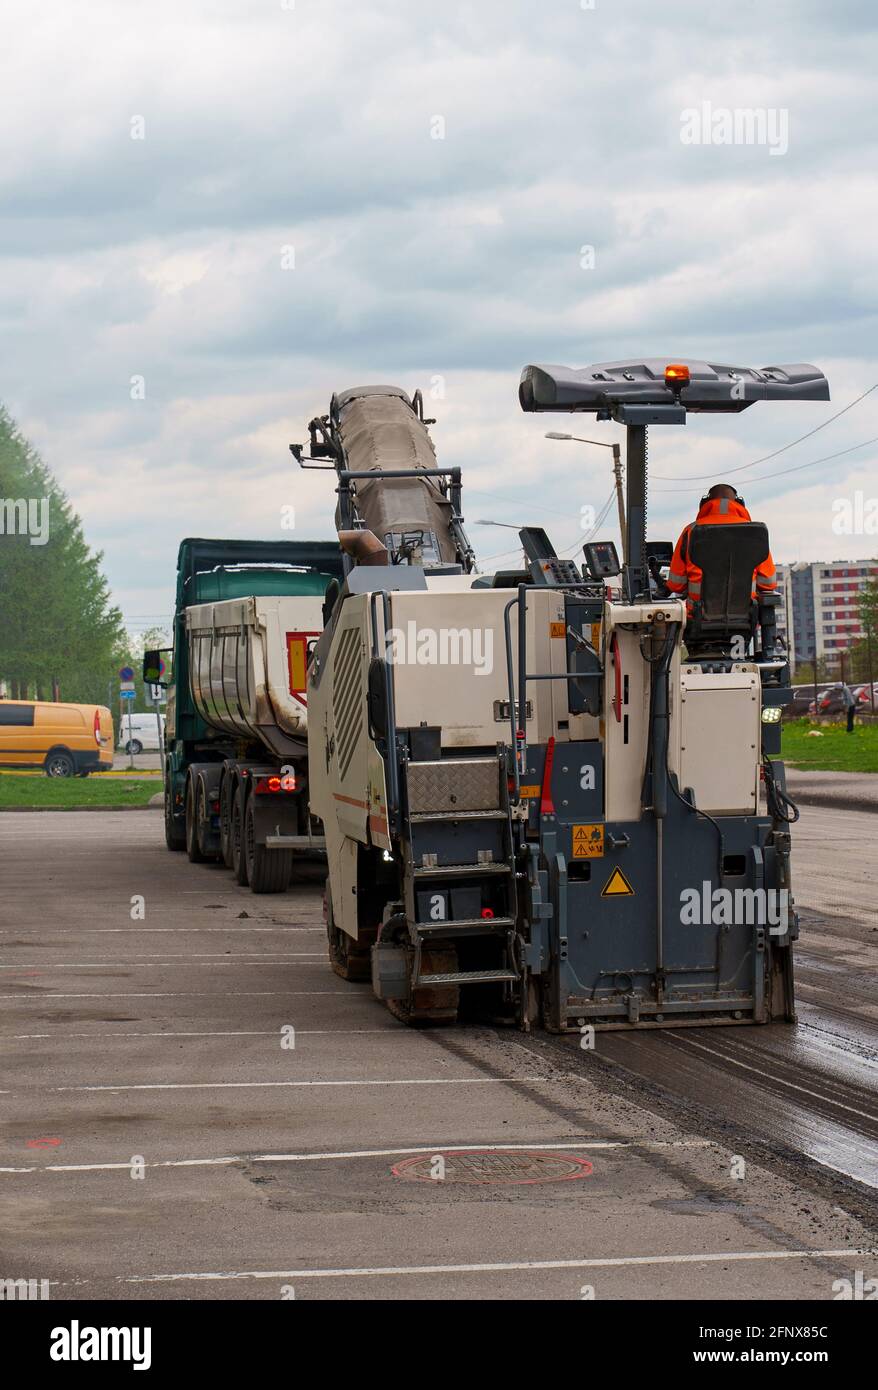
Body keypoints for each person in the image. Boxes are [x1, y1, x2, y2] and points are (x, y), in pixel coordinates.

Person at [665, 483, 777, 611]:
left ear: (704, 503)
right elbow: (769, 583)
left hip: (698, 617)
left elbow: (676, 584)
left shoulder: (690, 531)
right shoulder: (755, 533)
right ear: (740, 504)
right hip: (744, 616)